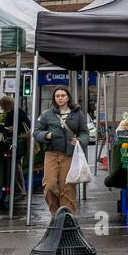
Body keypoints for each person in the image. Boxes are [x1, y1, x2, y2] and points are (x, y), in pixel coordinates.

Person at [33, 87, 89, 216]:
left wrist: (80, 140)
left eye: (63, 95)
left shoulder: (77, 113)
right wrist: (46, 135)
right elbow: (36, 132)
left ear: (68, 97)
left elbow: (84, 132)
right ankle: (56, 214)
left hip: (69, 154)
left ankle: (68, 218)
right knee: (50, 186)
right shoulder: (47, 114)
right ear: (54, 98)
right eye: (57, 96)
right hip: (51, 153)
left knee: (67, 187)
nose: (60, 98)